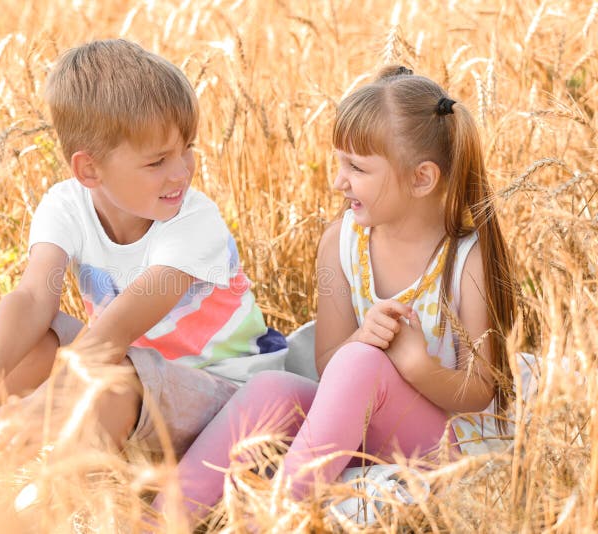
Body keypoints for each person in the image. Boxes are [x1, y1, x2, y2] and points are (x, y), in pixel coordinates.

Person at [157, 65, 517, 524]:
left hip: (445, 449)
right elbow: (330, 364)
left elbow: (481, 390)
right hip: (364, 433)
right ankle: (159, 522)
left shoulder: (467, 259)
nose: (338, 181)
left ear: (422, 178)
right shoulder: (341, 243)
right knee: (273, 387)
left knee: (361, 362)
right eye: (339, 162)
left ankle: (270, 522)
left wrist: (414, 365)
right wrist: (363, 336)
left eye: (357, 168)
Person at [0, 39, 287, 459]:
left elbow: (114, 332)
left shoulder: (196, 223)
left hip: (226, 398)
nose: (182, 172)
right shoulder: (65, 204)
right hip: (132, 375)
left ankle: (73, 504)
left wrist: (43, 404)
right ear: (89, 169)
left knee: (110, 380)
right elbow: (33, 297)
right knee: (38, 339)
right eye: (157, 161)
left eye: (187, 149)